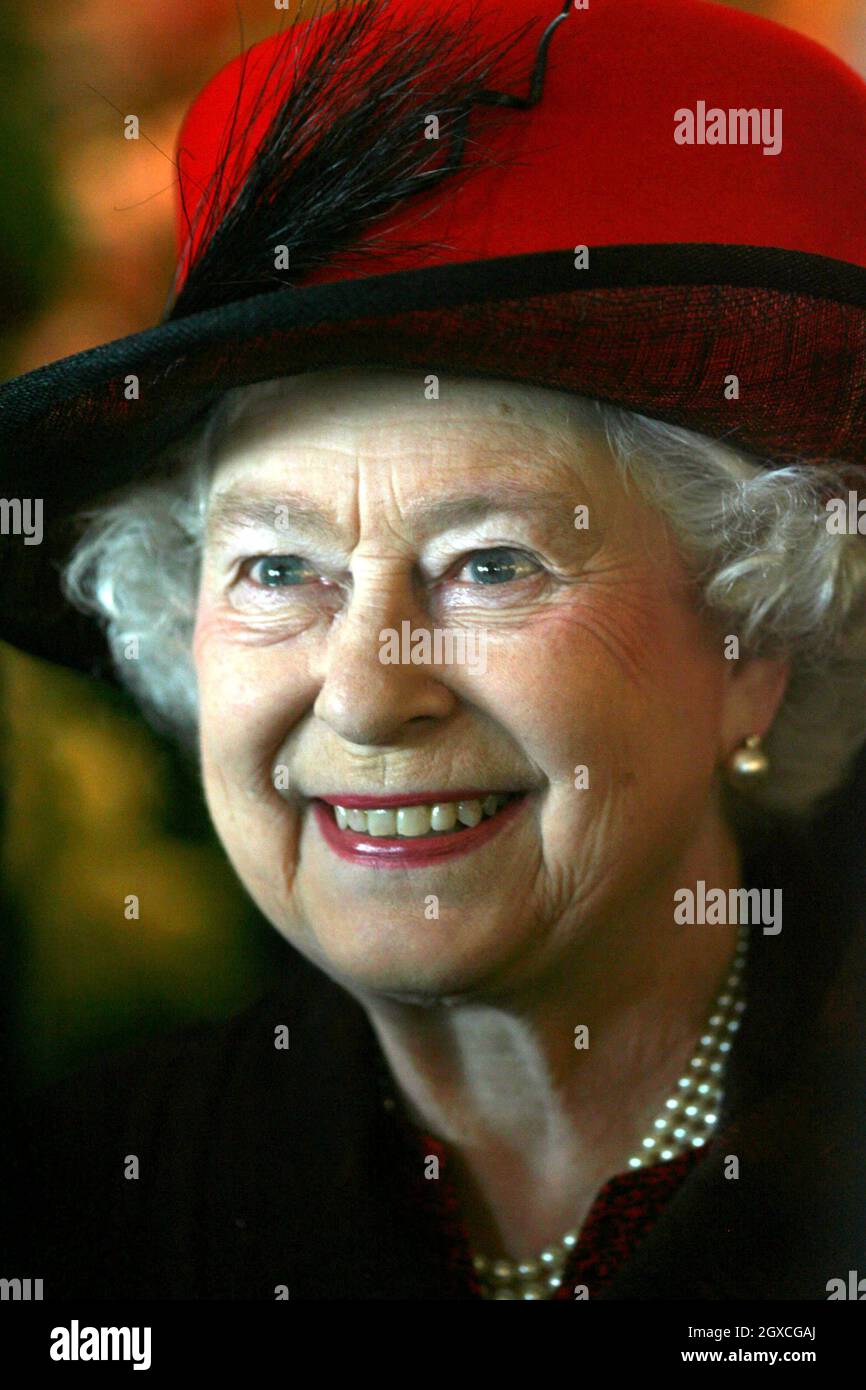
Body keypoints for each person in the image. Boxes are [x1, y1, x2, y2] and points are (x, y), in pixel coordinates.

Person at [2, 0, 866, 1301]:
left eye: (490, 564)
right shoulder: (75, 1215)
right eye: (277, 568)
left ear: (755, 634)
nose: (360, 689)